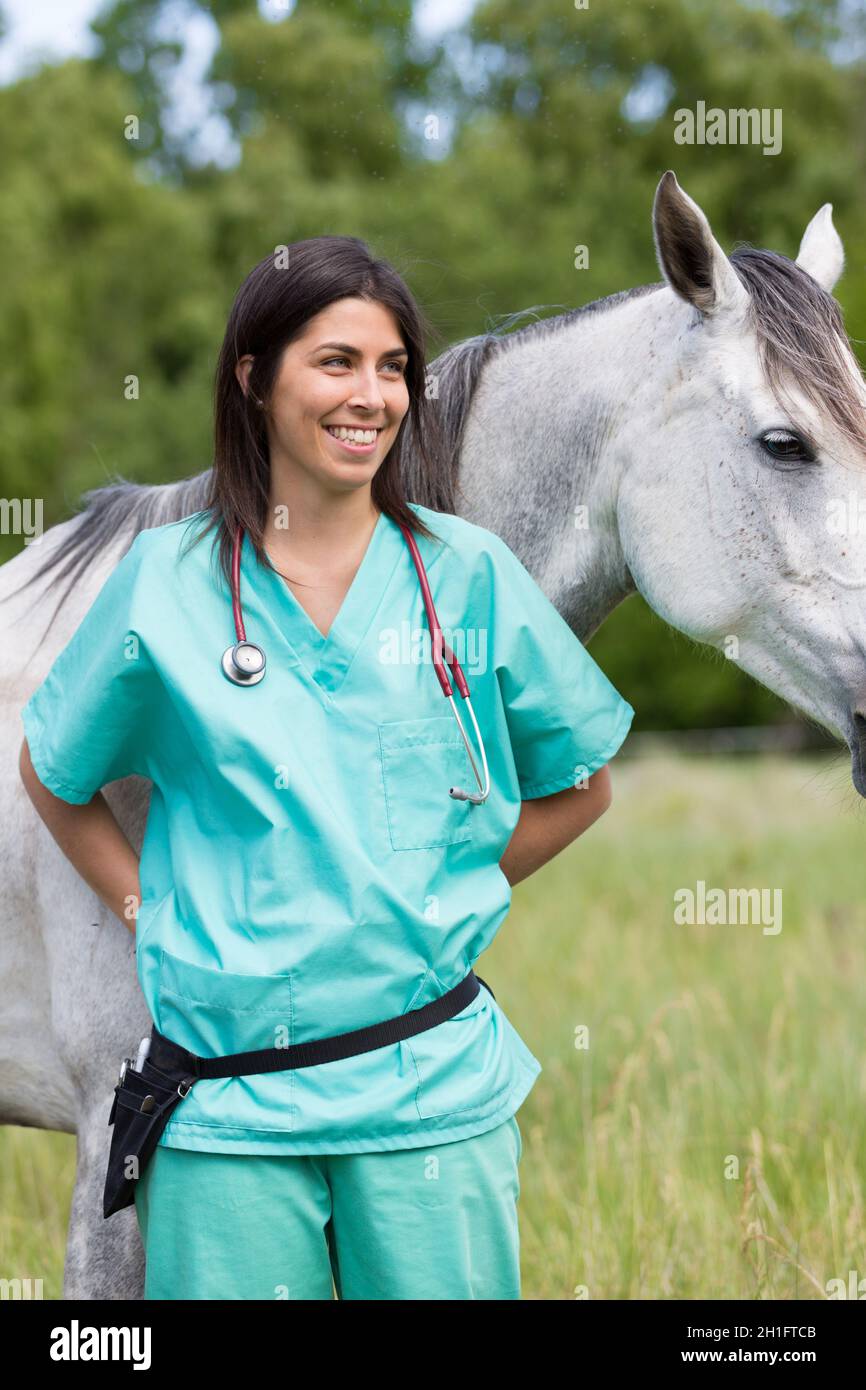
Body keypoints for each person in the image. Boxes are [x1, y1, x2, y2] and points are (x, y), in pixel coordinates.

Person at [18, 236, 635, 1300]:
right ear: (254, 380)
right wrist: (146, 908)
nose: (374, 394)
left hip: (426, 1110)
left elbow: (580, 780)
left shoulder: (467, 576)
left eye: (393, 366)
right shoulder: (161, 583)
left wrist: (450, 889)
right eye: (337, 362)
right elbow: (56, 771)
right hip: (228, 1126)